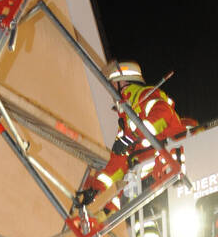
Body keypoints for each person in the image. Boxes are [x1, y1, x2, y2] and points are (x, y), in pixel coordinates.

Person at [75, 61, 195, 217]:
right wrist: (95, 190)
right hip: (150, 183)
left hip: (169, 172)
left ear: (122, 81)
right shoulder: (125, 123)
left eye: (112, 85)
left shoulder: (145, 96)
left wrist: (132, 137)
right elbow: (117, 165)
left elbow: (162, 115)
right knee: (135, 213)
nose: (111, 92)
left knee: (138, 206)